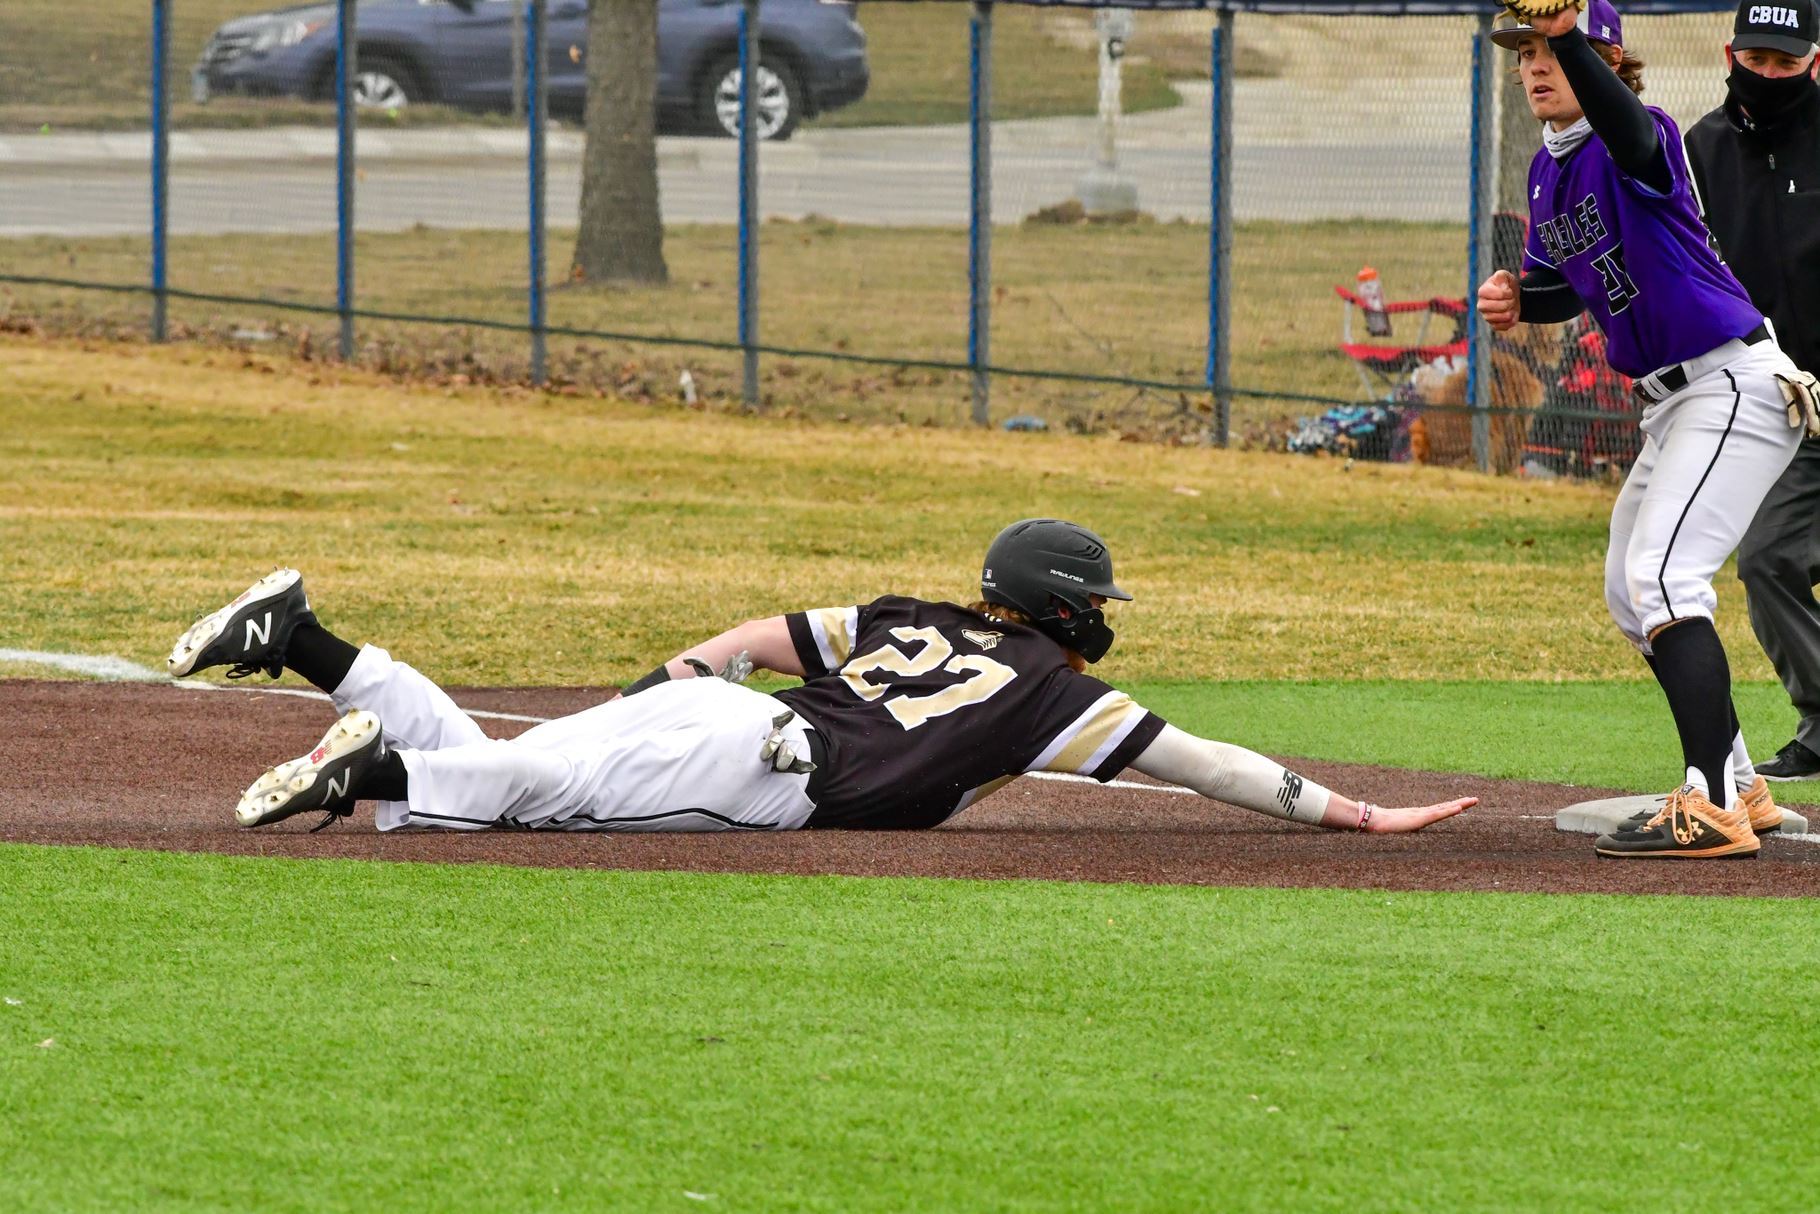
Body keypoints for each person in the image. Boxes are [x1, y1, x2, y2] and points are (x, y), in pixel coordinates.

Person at [165, 520, 1475, 836]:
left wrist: (656, 681)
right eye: (1096, 602)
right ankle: (372, 764)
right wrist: (1355, 812)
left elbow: (748, 638)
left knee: (510, 770)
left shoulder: (909, 612)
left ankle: (308, 641)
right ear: (1066, 610)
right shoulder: (1054, 691)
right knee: (510, 800)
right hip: (773, 771)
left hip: (722, 708)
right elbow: (1213, 767)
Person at [1478, 0, 1818, 857]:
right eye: (1525, 51)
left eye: (1555, 48)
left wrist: (1569, 34)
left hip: (1731, 379)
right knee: (1632, 593)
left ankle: (1709, 804)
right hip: (1672, 401)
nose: (1536, 64)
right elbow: (1567, 285)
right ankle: (1740, 784)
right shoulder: (1548, 170)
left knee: (1666, 578)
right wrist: (1519, 299)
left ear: (1606, 60)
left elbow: (1626, 134)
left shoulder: (1645, 135)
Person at [1684, 0, 1820, 781]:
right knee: (1768, 560)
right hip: (1782, 405)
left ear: (1815, 63)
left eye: (1786, 62)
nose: (1769, 75)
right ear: (1729, 54)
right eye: (1756, 59)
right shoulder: (1700, 150)